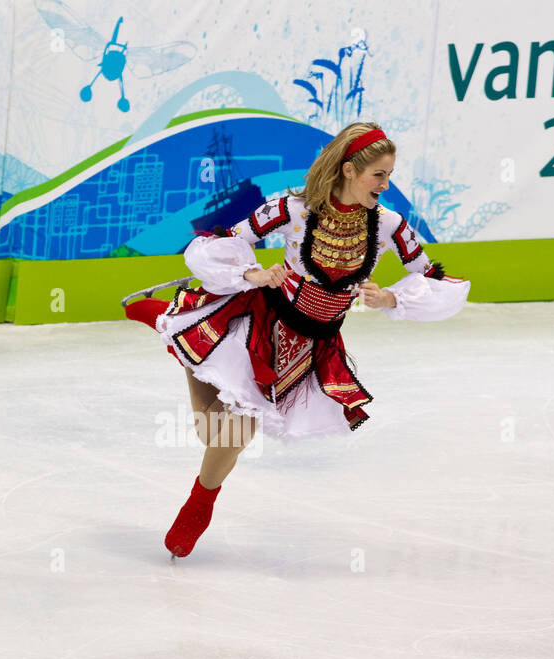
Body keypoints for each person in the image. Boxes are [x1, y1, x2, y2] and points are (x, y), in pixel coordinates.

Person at [126, 121, 470, 558]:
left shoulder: (390, 226)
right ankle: (199, 504)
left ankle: (182, 338)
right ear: (349, 170)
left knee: (212, 431)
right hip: (261, 324)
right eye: (378, 175)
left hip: (314, 345)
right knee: (232, 435)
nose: (386, 184)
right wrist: (254, 273)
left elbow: (433, 277)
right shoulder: (293, 209)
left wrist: (388, 299)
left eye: (389, 174)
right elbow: (225, 239)